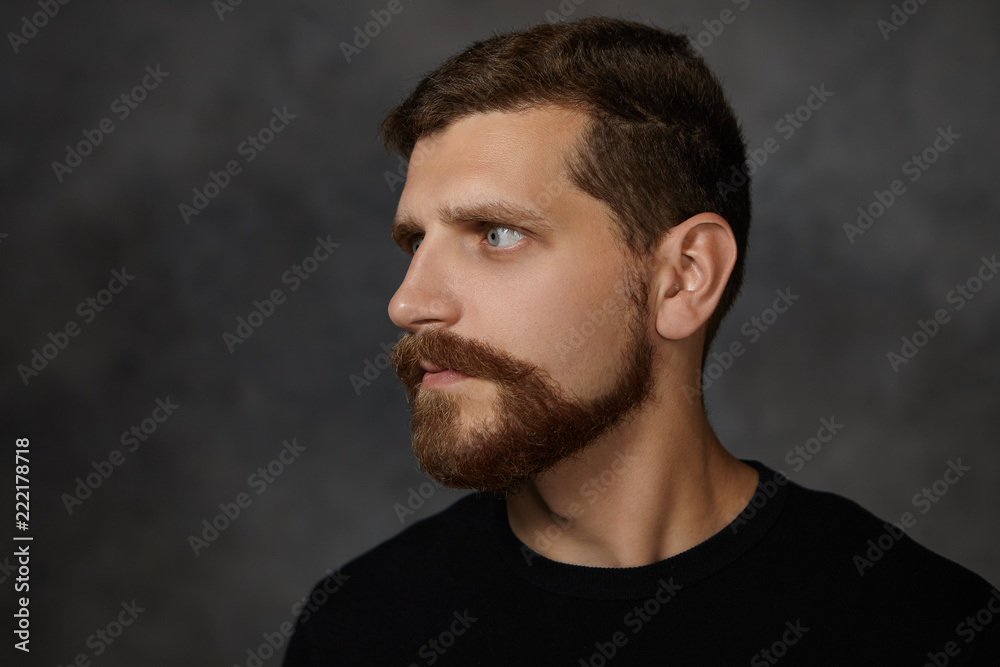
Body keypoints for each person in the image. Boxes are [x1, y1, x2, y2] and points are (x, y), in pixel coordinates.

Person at [284, 16, 999, 665]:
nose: (408, 302)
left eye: (497, 234)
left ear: (683, 279)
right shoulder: (360, 630)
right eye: (415, 240)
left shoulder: (925, 627)